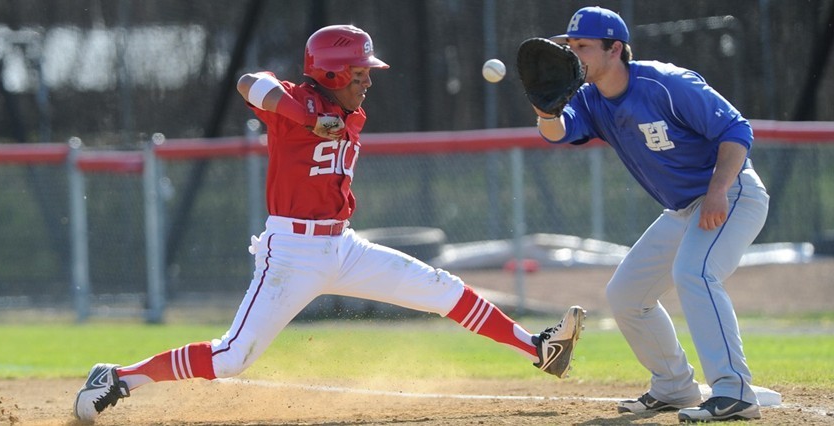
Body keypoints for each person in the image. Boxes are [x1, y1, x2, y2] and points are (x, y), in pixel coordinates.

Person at [73, 24, 586, 422]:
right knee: (231, 358)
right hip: (290, 253)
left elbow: (320, 112)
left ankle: (538, 349)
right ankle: (118, 377)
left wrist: (317, 114)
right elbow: (249, 82)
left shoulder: (350, 114)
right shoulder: (295, 104)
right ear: (334, 74)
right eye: (359, 73)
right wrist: (302, 114)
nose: (367, 81)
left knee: (442, 288)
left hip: (342, 247)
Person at [530, 7, 770, 423]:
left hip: (730, 193)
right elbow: (558, 133)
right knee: (626, 294)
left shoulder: (666, 84)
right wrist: (543, 108)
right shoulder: (588, 98)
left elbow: (736, 130)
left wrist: (717, 192)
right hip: (682, 210)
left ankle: (734, 392)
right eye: (569, 47)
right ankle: (674, 386)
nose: (573, 55)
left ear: (615, 49)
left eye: (582, 46)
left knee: (694, 273)